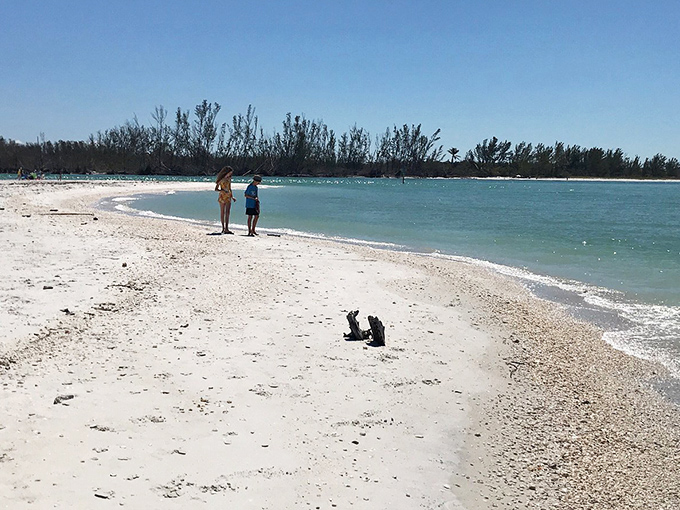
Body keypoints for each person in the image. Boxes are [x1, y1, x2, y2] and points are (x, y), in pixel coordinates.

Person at [215, 166, 236, 234]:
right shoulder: (221, 179)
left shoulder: (229, 179)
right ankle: (223, 228)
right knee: (222, 212)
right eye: (230, 173)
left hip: (228, 197)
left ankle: (226, 228)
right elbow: (216, 189)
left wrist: (232, 197)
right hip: (222, 196)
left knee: (227, 213)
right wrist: (222, 191)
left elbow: (230, 188)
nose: (230, 174)